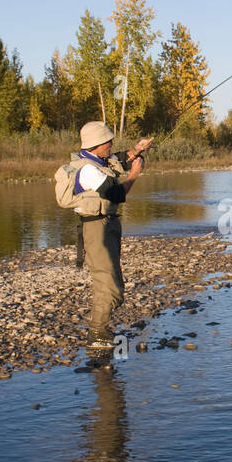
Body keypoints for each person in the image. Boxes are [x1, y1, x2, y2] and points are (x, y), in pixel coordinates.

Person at [67, 121, 152, 349]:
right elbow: (115, 194)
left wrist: (137, 150)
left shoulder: (98, 160)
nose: (111, 144)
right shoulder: (88, 170)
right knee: (108, 285)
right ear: (96, 145)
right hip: (96, 228)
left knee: (114, 285)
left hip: (108, 224)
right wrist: (135, 174)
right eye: (108, 141)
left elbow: (120, 159)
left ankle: (100, 331)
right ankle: (97, 335)